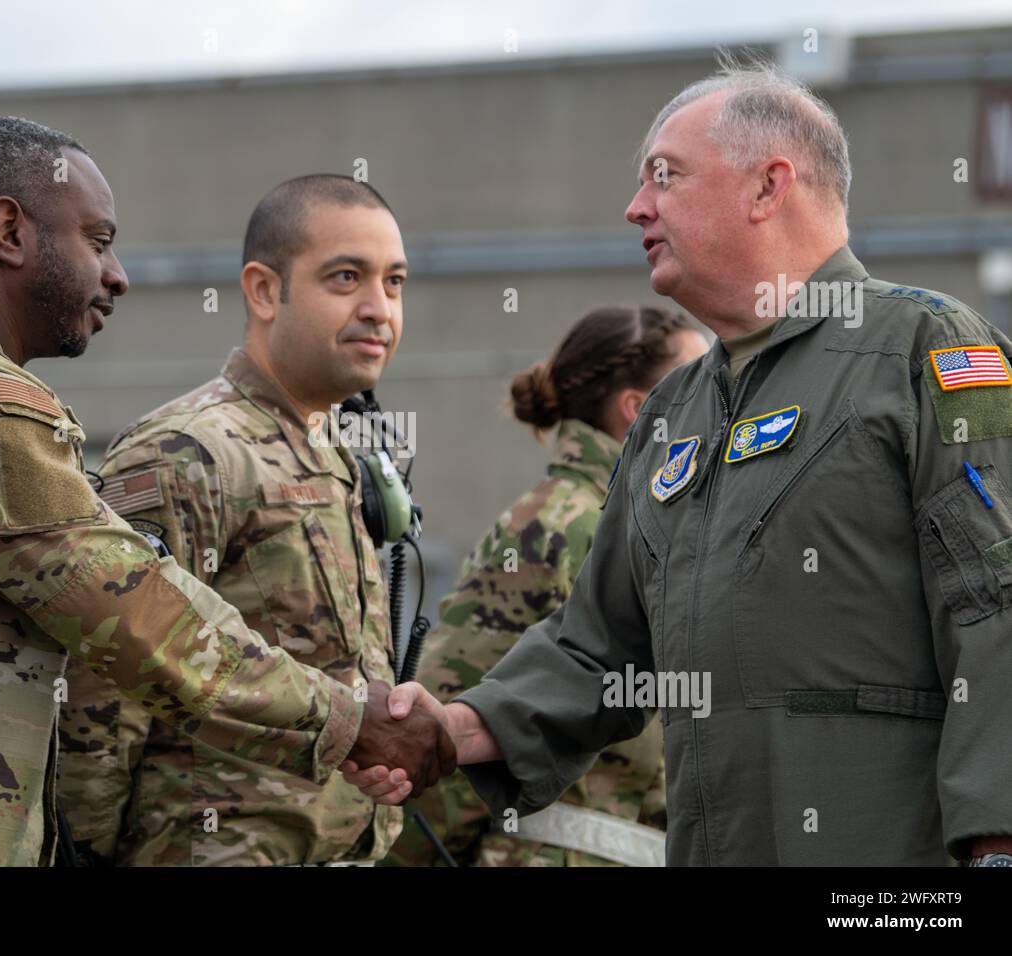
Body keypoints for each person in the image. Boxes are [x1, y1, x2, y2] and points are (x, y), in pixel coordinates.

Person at [0, 119, 453, 868]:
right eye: (98, 241)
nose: (117, 274)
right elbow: (133, 615)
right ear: (9, 231)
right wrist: (354, 724)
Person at [345, 58, 1012, 866]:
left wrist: (996, 840)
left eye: (665, 177)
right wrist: (452, 728)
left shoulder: (928, 347)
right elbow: (597, 644)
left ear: (769, 187)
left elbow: (995, 607)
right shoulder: (673, 412)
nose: (636, 208)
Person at [58, 174, 411, 866]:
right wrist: (88, 853)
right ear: (264, 291)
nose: (379, 308)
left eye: (394, 282)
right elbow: (105, 691)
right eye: (346, 277)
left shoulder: (337, 454)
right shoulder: (186, 451)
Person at [386, 305, 706, 867]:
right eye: (699, 387)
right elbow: (450, 726)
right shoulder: (549, 528)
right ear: (638, 411)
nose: (719, 408)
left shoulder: (656, 521)